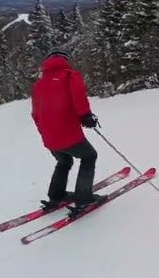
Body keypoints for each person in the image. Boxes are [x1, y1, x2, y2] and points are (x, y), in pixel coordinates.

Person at [30, 49, 105, 211]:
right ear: (65, 60)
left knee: (64, 160)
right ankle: (84, 198)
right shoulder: (70, 75)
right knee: (89, 156)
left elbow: (35, 114)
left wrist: (44, 133)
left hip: (49, 138)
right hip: (68, 133)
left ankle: (56, 195)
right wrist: (86, 116)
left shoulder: (38, 85)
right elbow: (78, 96)